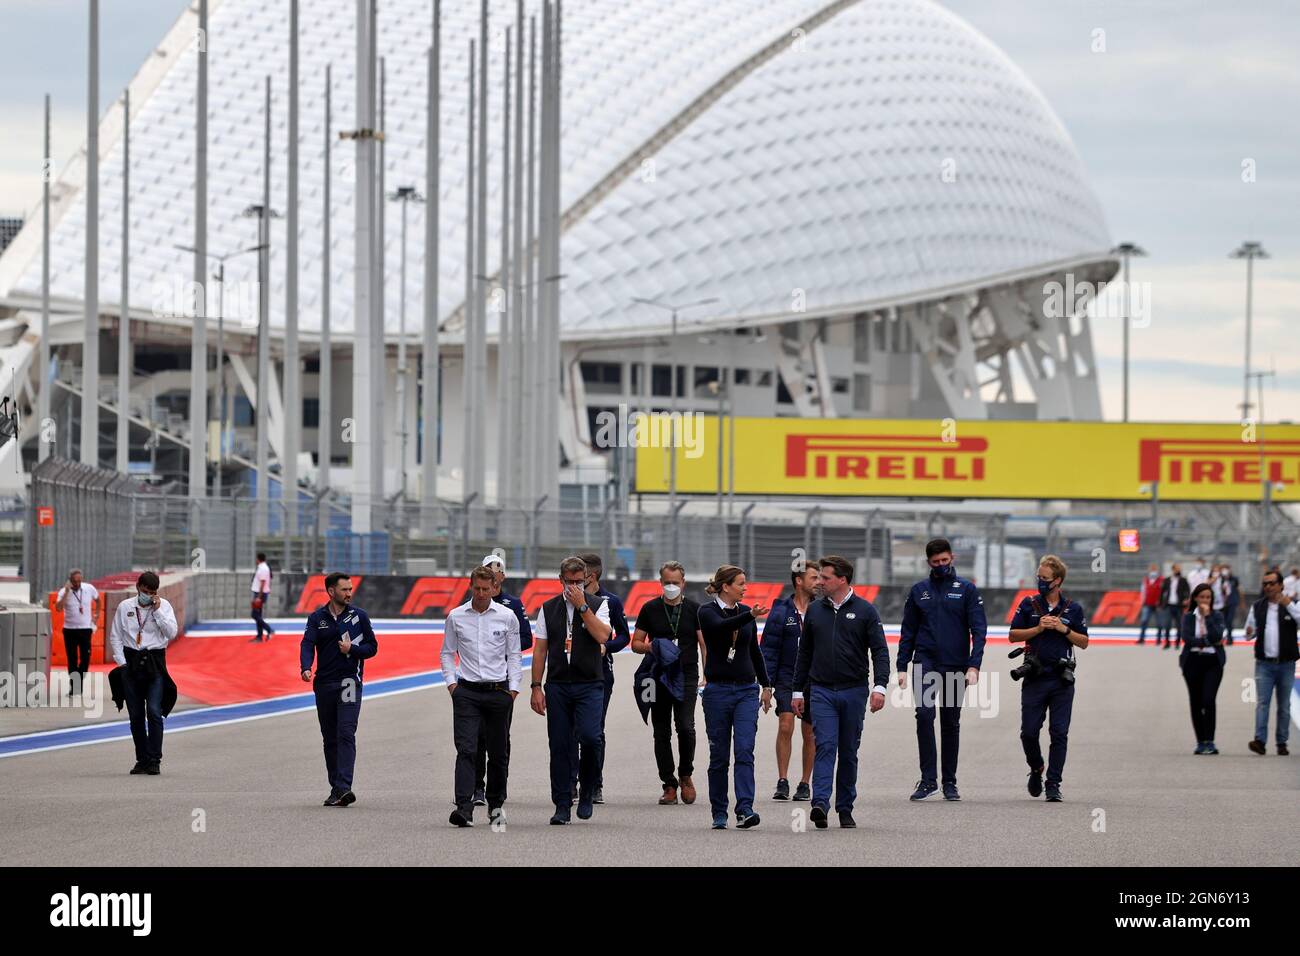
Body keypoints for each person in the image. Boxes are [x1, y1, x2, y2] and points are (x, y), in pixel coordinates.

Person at [791, 556, 889, 829]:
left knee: (848, 752)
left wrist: (880, 686)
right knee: (825, 745)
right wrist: (798, 691)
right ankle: (820, 803)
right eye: (818, 577)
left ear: (842, 580)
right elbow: (805, 653)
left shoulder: (866, 611)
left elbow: (880, 651)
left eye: (825, 577)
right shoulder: (815, 610)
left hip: (854, 691)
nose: (819, 582)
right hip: (821, 690)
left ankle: (845, 808)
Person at [897, 538, 987, 801]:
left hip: (955, 664)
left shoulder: (967, 590)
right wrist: (902, 666)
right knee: (924, 716)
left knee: (950, 722)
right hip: (925, 662)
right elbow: (908, 631)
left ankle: (949, 782)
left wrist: (974, 665)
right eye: (935, 562)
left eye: (944, 561)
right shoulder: (918, 591)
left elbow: (979, 631)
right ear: (928, 563)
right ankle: (928, 781)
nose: (940, 566)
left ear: (952, 558)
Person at [530, 557, 613, 824]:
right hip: (558, 685)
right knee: (560, 745)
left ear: (587, 579)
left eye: (579, 581)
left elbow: (603, 636)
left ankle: (588, 789)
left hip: (589, 684)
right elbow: (540, 649)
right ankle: (562, 803)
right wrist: (535, 687)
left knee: (590, 738)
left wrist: (582, 607)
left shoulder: (600, 605)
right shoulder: (548, 608)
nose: (574, 586)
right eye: (570, 582)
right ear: (561, 580)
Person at [442, 566, 521, 828]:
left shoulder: (507, 616)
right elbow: (447, 653)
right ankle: (464, 808)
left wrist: (514, 689)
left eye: (486, 589)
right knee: (466, 750)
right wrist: (452, 685)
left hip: (499, 692)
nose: (481, 593)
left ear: (494, 588)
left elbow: (515, 654)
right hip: (467, 692)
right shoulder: (456, 616)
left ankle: (496, 806)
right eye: (477, 588)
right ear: (470, 586)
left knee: (498, 753)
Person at [698, 565, 773, 829]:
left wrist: (766, 685)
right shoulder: (706, 611)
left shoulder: (745, 613)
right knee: (719, 755)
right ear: (726, 586)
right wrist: (750, 615)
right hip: (717, 691)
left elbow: (754, 651)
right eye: (741, 583)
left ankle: (745, 809)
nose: (745, 587)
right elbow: (720, 628)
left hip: (746, 691)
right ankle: (719, 811)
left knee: (744, 749)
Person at [1008, 555, 1089, 802]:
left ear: (1058, 581)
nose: (1041, 582)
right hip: (1034, 677)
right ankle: (1036, 767)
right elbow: (1012, 635)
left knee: (1059, 732)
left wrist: (1063, 629)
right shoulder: (1028, 604)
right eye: (1039, 578)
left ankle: (1053, 783)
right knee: (1029, 732)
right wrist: (1040, 628)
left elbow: (1084, 642)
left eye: (1045, 578)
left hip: (1061, 679)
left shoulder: (1073, 608)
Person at [300, 572, 378, 806]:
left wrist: (352, 649)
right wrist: (306, 667)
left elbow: (372, 647)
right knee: (330, 737)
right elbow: (307, 643)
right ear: (331, 591)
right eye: (344, 589)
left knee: (345, 732)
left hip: (348, 682)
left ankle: (344, 786)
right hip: (323, 684)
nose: (349, 593)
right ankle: (337, 788)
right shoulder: (317, 618)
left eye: (350, 589)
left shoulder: (360, 616)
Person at [630, 560, 703, 805]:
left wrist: (708, 673)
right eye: (667, 582)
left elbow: (704, 644)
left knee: (685, 726)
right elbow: (636, 643)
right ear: (660, 583)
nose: (671, 586)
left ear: (683, 583)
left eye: (675, 582)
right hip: (658, 675)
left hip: (687, 675)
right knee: (661, 731)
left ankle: (686, 775)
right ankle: (668, 783)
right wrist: (653, 646)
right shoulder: (649, 608)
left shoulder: (695, 609)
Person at [470, 554, 533, 808]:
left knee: (499, 737)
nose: (493, 576)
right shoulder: (472, 602)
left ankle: (499, 789)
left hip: (503, 680)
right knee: (475, 737)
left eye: (497, 572)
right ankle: (476, 788)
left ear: (503, 576)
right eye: (488, 571)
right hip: (475, 680)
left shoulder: (513, 605)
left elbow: (526, 640)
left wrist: (502, 648)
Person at [572, 552, 630, 805]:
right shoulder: (567, 600)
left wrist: (607, 646)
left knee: (594, 731)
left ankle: (594, 783)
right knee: (570, 730)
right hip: (570, 673)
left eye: (579, 577)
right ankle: (571, 781)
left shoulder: (611, 601)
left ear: (591, 576)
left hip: (600, 674)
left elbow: (623, 637)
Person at [108, 571, 179, 775]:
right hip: (131, 663)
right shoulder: (125, 607)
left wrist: (157, 612)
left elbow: (171, 633)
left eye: (153, 592)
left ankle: (155, 759)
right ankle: (142, 759)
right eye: (146, 591)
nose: (149, 595)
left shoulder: (164, 606)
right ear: (138, 587)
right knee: (136, 716)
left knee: (154, 712)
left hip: (155, 662)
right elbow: (115, 637)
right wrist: (122, 664)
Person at [761, 565, 819, 802]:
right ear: (798, 581)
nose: (818, 581)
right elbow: (768, 649)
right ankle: (782, 780)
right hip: (787, 676)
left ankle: (805, 783)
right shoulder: (780, 611)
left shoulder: (822, 610)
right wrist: (766, 685)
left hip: (814, 679)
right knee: (786, 725)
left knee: (810, 733)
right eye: (813, 577)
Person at [1243, 569, 1299, 756]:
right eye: (1265, 584)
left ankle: (1281, 742)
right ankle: (1260, 740)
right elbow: (1249, 632)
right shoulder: (1257, 606)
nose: (1268, 587)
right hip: (1264, 664)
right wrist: (1250, 632)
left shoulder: (1293, 605)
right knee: (1262, 703)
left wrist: (1288, 604)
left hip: (1286, 664)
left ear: (1281, 585)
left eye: (1271, 583)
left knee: (1284, 706)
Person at [1179, 583, 1226, 755]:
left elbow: (1217, 635)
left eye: (1208, 597)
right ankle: (1200, 741)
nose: (1205, 600)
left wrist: (1207, 618)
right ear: (1196, 598)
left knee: (1208, 699)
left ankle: (1210, 740)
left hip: (1212, 661)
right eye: (1202, 597)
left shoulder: (1217, 616)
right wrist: (1207, 641)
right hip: (1192, 661)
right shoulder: (1188, 617)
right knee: (1196, 702)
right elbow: (1187, 638)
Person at [56, 568, 100, 697]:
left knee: (86, 658)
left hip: (85, 629)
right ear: (70, 581)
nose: (77, 584)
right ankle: (74, 686)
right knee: (72, 659)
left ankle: (78, 681)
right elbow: (58, 608)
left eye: (79, 581)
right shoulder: (64, 591)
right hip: (69, 630)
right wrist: (66, 592)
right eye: (74, 582)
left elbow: (98, 600)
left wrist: (96, 615)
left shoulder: (89, 588)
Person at [1158, 564, 1189, 648]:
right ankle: (1167, 642)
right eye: (1176, 569)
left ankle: (1177, 643)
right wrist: (1161, 603)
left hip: (1178, 605)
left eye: (1179, 569)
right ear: (1173, 570)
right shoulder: (1167, 580)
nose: (1178, 571)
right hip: (1169, 605)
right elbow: (1162, 592)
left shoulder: (1183, 580)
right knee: (1167, 625)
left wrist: (1186, 599)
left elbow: (1187, 591)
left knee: (1179, 625)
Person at [250, 552, 275, 643]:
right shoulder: (262, 567)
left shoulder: (263, 568)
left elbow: (263, 582)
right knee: (258, 615)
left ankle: (269, 630)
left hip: (260, 594)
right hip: (259, 593)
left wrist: (259, 597)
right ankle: (259, 636)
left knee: (254, 614)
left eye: (256, 558)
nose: (255, 560)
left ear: (259, 559)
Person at [1137, 563, 1163, 645]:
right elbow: (1143, 591)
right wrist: (1142, 601)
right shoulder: (1146, 580)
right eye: (1152, 569)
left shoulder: (1161, 579)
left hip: (1158, 604)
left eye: (1154, 569)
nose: (1153, 571)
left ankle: (1158, 640)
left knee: (1159, 623)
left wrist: (1161, 601)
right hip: (1147, 603)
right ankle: (1141, 638)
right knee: (1144, 621)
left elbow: (1163, 592)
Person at [1218, 563, 1240, 644]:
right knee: (1222, 620)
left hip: (1231, 602)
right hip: (1222, 603)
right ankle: (1220, 637)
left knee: (1229, 620)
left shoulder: (1234, 579)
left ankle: (1230, 638)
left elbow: (1238, 589)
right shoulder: (1220, 579)